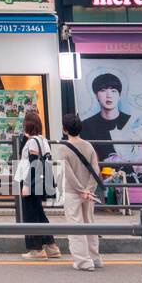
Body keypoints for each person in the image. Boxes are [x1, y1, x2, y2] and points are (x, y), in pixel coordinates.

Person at [56, 113, 104, 271]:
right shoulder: (88, 146)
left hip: (73, 192)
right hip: (88, 193)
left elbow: (67, 173)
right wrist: (88, 190)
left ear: (64, 129)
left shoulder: (63, 148)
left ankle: (83, 261)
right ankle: (95, 258)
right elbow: (96, 170)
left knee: (75, 226)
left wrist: (80, 190)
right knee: (89, 224)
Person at [17, 111, 60, 259]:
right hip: (41, 181)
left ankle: (36, 249)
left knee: (31, 214)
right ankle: (51, 246)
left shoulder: (32, 142)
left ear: (27, 125)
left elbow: (33, 163)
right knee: (39, 213)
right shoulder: (43, 140)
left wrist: (26, 185)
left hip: (31, 181)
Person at [81, 73, 131, 164]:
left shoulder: (130, 122)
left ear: (119, 95)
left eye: (113, 91)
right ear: (96, 95)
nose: (109, 95)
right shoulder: (86, 125)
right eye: (103, 90)